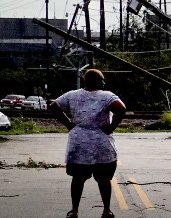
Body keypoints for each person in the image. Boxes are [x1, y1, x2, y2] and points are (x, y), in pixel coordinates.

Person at [50, 69, 127, 218]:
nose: (104, 82)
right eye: (103, 79)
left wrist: (68, 124)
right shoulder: (107, 96)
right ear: (99, 81)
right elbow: (121, 108)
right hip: (101, 145)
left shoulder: (72, 95)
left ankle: (74, 210)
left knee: (78, 179)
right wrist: (111, 128)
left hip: (79, 144)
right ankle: (106, 210)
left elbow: (54, 106)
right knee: (104, 179)